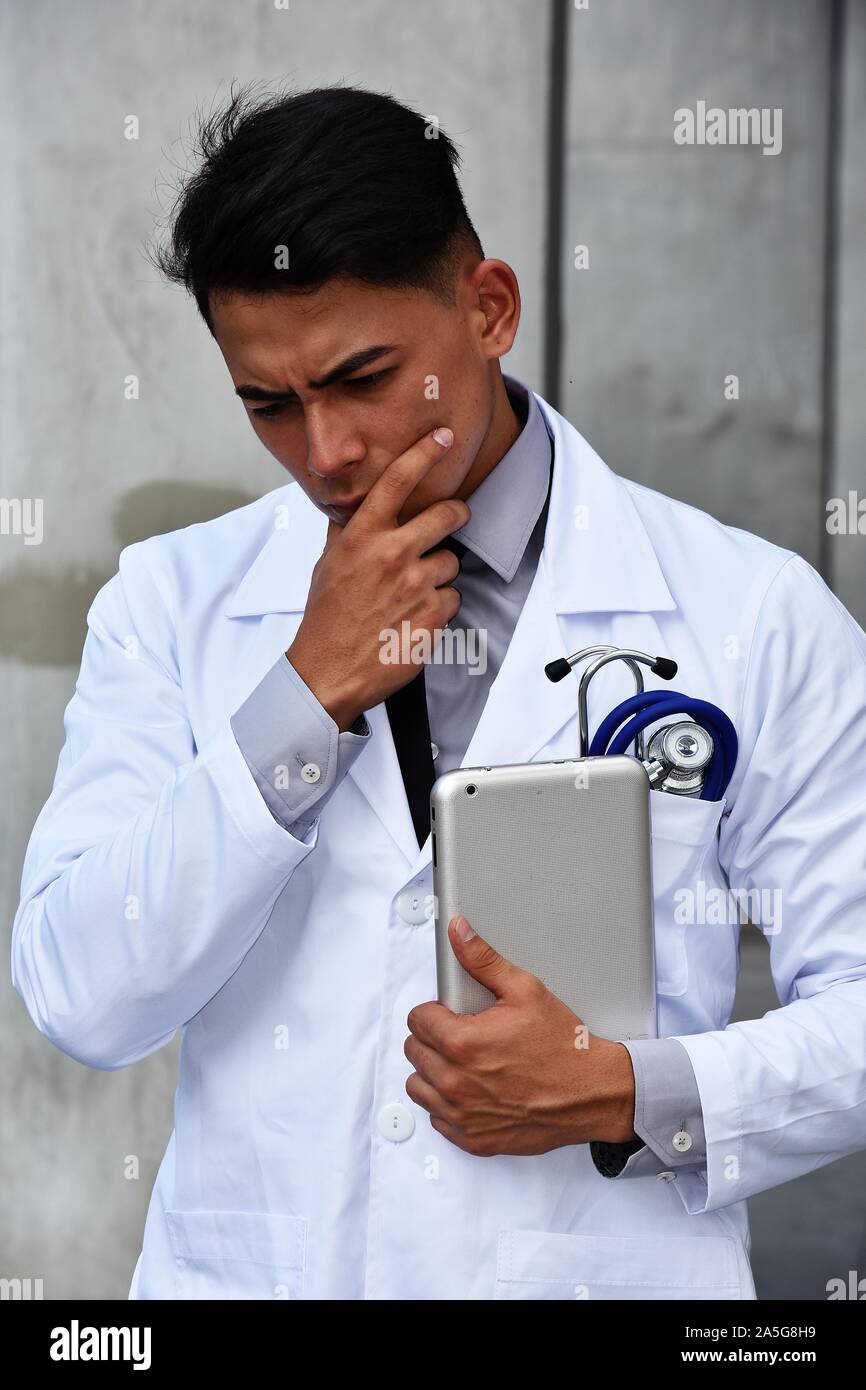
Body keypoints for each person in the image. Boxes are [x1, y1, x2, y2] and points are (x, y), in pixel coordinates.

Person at [11, 84, 866, 1301]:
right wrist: (305, 694)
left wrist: (631, 1091)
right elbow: (79, 993)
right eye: (269, 403)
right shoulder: (169, 604)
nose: (326, 452)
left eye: (363, 377)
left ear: (489, 307)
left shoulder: (753, 615)